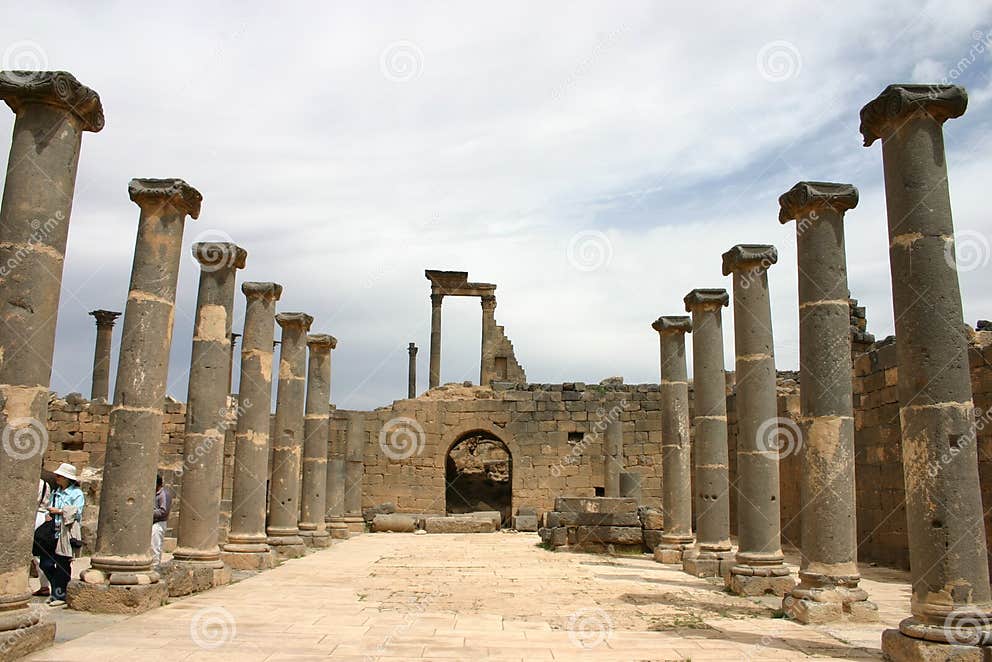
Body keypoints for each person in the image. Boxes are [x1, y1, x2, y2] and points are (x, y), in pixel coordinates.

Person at [40, 463, 84, 607]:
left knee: (62, 564)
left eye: (59, 476)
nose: (57, 477)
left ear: (67, 478)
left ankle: (60, 594)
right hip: (53, 531)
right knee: (45, 563)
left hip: (65, 533)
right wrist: (48, 514)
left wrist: (59, 511)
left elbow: (77, 512)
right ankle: (57, 590)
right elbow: (48, 508)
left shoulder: (76, 493)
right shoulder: (56, 492)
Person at [32, 477, 52, 596]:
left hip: (35, 516)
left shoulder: (34, 482)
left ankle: (45, 586)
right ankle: (44, 585)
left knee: (37, 555)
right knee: (39, 555)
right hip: (42, 515)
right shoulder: (46, 484)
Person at [151, 474, 172, 566]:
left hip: (159, 523)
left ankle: (155, 566)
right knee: (151, 545)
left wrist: (150, 512)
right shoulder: (155, 493)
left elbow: (164, 511)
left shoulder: (164, 494)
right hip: (153, 522)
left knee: (155, 545)